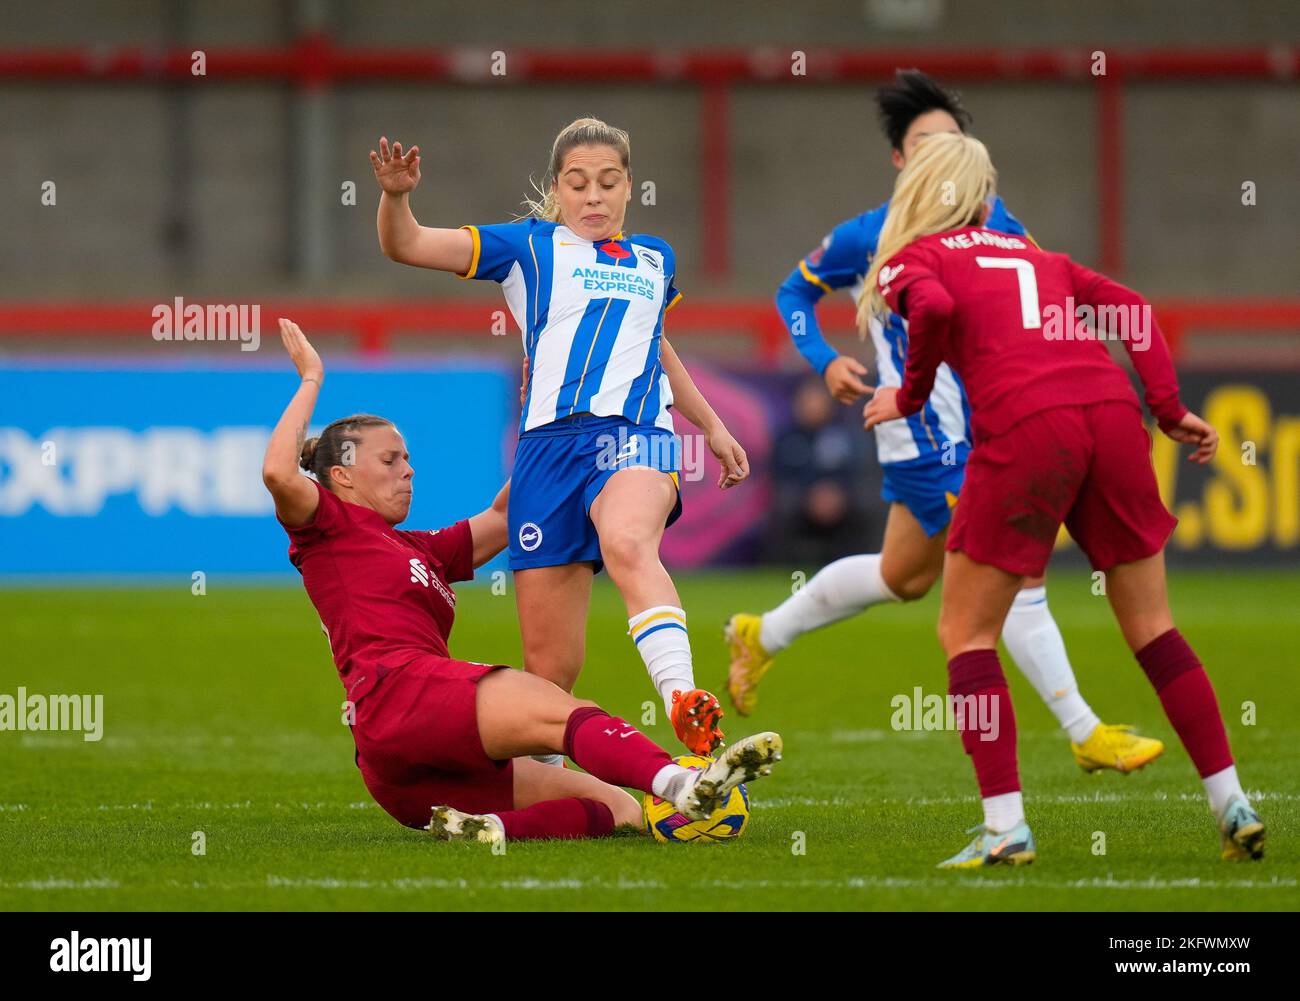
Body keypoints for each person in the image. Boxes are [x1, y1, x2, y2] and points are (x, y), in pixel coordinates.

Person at [726, 69, 1162, 776]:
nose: (944, 159)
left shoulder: (1000, 220)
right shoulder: (870, 235)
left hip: (996, 420)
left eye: (955, 143)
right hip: (930, 436)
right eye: (927, 145)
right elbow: (793, 291)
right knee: (1014, 573)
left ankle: (760, 632)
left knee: (905, 576)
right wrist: (824, 360)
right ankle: (1084, 729)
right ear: (900, 160)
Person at [860, 132, 1265, 866]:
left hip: (1026, 424)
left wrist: (909, 395)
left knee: (966, 633)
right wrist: (1169, 410)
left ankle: (1006, 827)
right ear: (985, 198)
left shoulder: (911, 259)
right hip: (1111, 413)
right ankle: (1231, 799)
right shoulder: (1039, 257)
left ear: (917, 193)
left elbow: (937, 306)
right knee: (1153, 626)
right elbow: (1134, 311)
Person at [261, 318, 782, 846]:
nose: (408, 471)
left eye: (409, 459)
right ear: (342, 474)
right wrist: (310, 378)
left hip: (403, 772)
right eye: (391, 460)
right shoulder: (327, 525)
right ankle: (684, 784)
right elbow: (280, 475)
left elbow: (507, 513)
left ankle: (486, 828)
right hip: (407, 696)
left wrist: (549, 420)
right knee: (566, 711)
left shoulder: (420, 549)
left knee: (619, 806)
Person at [371, 118, 748, 758]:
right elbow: (404, 245)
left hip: (636, 436)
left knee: (628, 540)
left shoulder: (656, 257)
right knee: (550, 674)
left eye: (608, 182)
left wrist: (710, 425)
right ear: (558, 189)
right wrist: (396, 196)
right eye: (578, 184)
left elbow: (655, 344)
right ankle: (557, 788)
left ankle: (684, 700)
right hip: (546, 454)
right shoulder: (525, 248)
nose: (593, 196)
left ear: (630, 187)